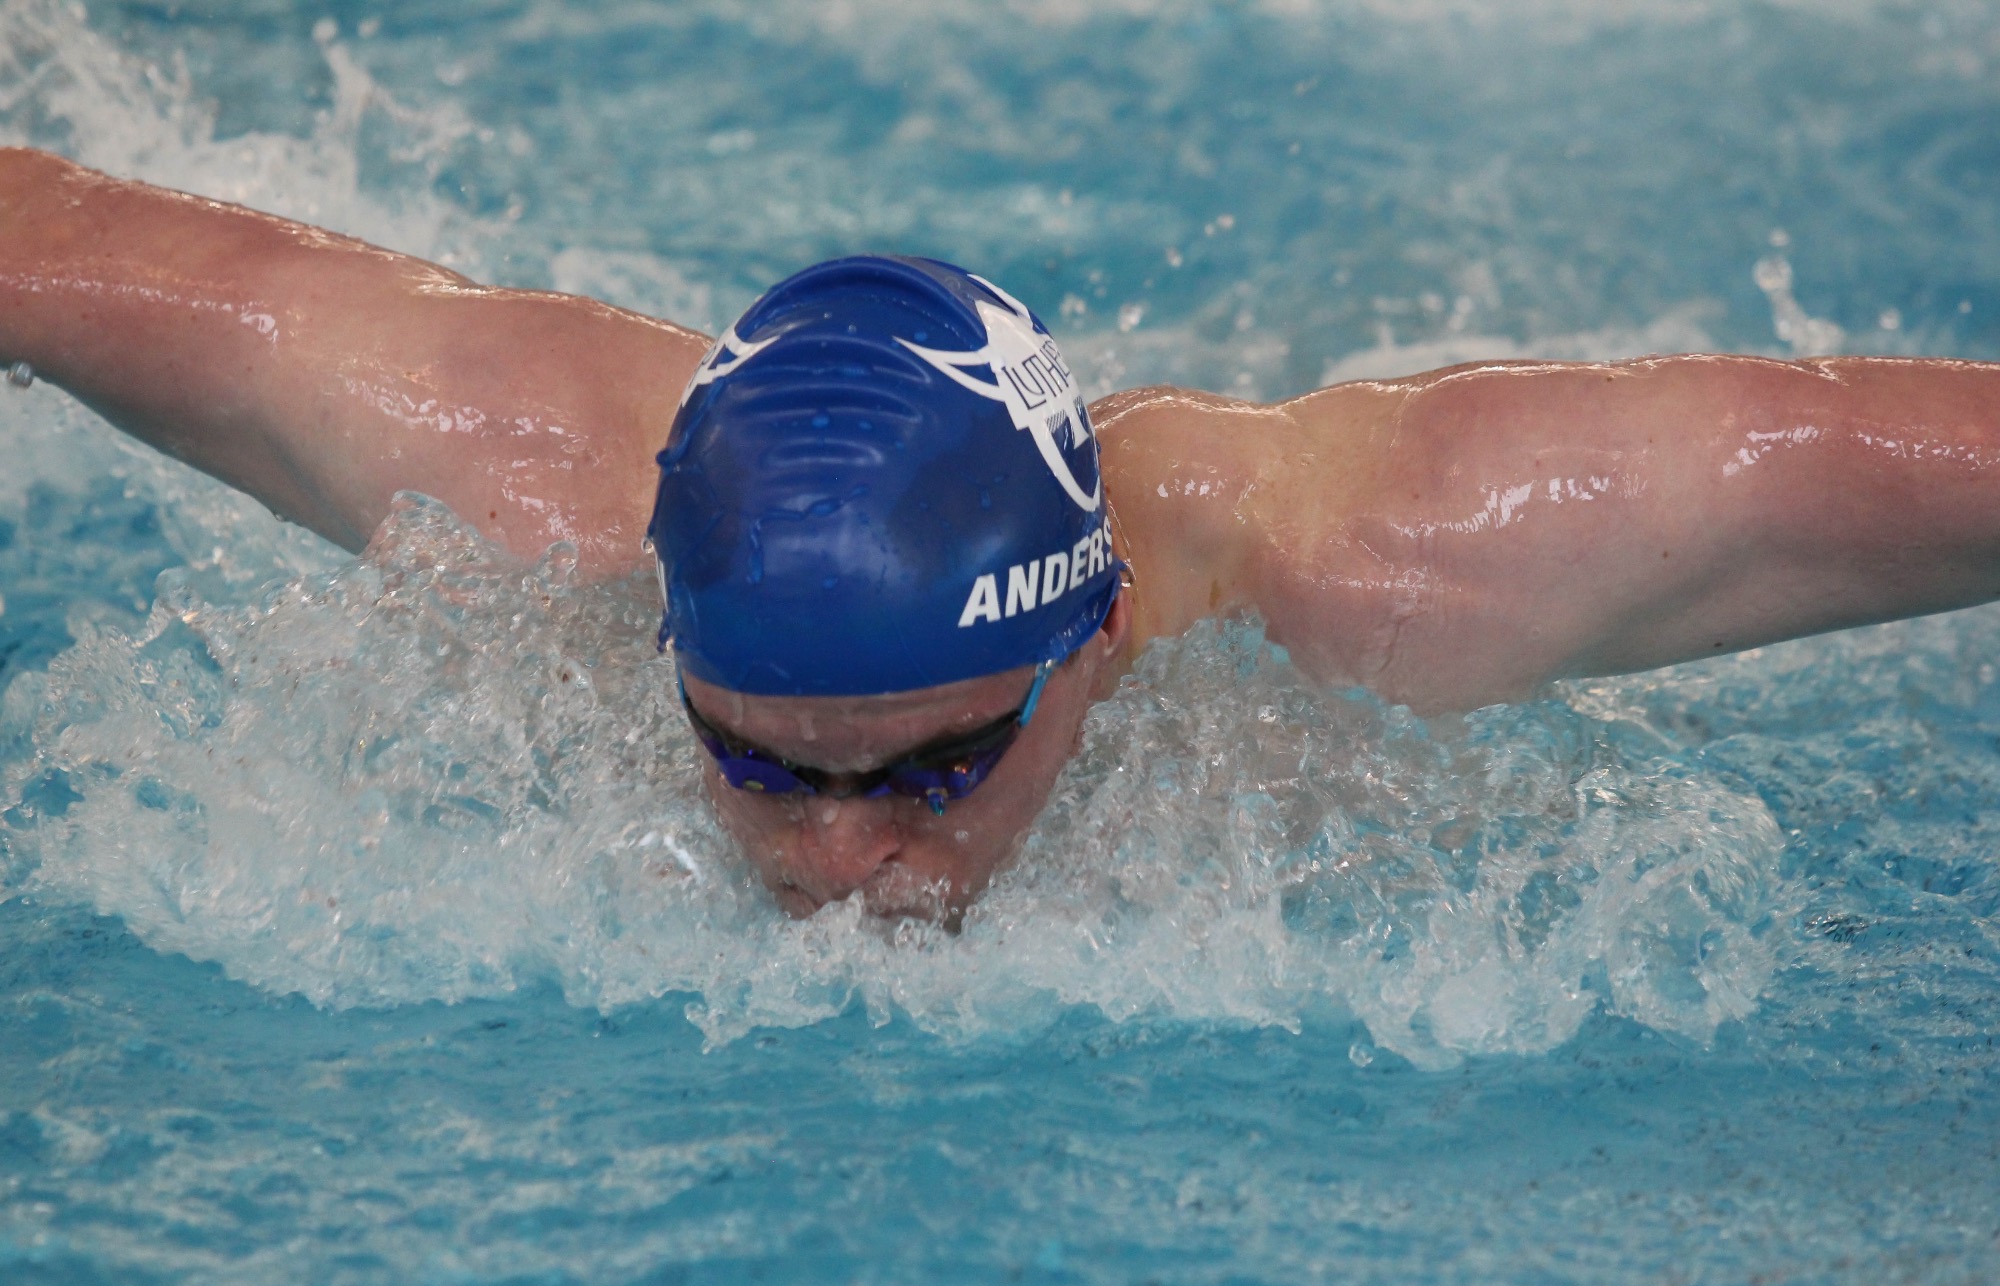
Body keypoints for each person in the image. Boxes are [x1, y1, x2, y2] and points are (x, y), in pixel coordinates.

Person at [5, 147, 1999, 921]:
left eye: (945, 765)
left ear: (1100, 629)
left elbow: (1830, 463)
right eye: (754, 765)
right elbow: (68, 249)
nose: (848, 867)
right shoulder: (527, 493)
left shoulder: (1395, 562)